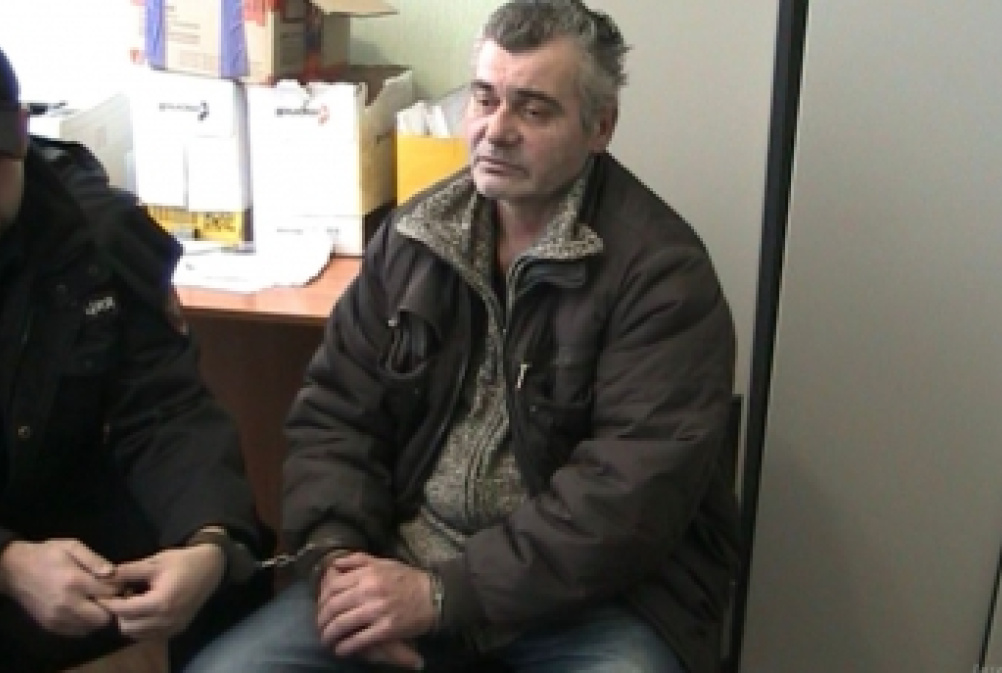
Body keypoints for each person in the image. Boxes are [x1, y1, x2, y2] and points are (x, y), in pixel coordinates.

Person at [185, 1, 739, 671]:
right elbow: (337, 416)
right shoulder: (415, 235)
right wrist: (336, 561)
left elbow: (627, 501)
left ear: (600, 127)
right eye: (484, 98)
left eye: (533, 110)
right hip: (404, 564)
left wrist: (445, 594)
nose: (495, 131)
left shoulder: (662, 275)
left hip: (590, 601)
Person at [0, 47, 272, 671]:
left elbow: (164, 409)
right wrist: (9, 563)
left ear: (18, 137)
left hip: (58, 497)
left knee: (230, 567)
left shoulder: (97, 236)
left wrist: (209, 540)